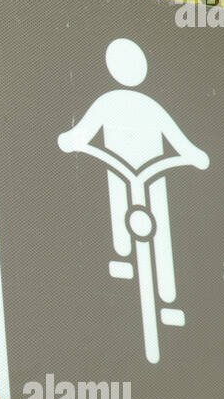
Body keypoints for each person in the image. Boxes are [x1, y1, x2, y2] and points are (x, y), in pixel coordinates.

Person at [57, 37, 209, 327]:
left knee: (160, 232)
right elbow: (84, 130)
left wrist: (193, 154)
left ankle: (168, 299)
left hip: (154, 172)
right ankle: (122, 255)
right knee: (118, 209)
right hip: (118, 167)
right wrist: (72, 140)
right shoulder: (108, 101)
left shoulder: (151, 106)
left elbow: (178, 139)